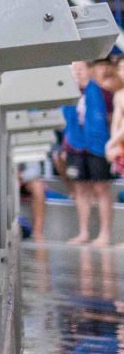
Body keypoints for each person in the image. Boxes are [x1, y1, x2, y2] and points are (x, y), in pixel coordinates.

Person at [64, 57, 114, 249]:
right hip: (75, 145)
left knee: (102, 188)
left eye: (81, 68)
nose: (78, 72)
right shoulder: (68, 92)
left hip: (98, 144)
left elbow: (110, 118)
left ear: (90, 69)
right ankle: (83, 231)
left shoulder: (103, 93)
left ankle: (105, 233)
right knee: (80, 188)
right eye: (75, 68)